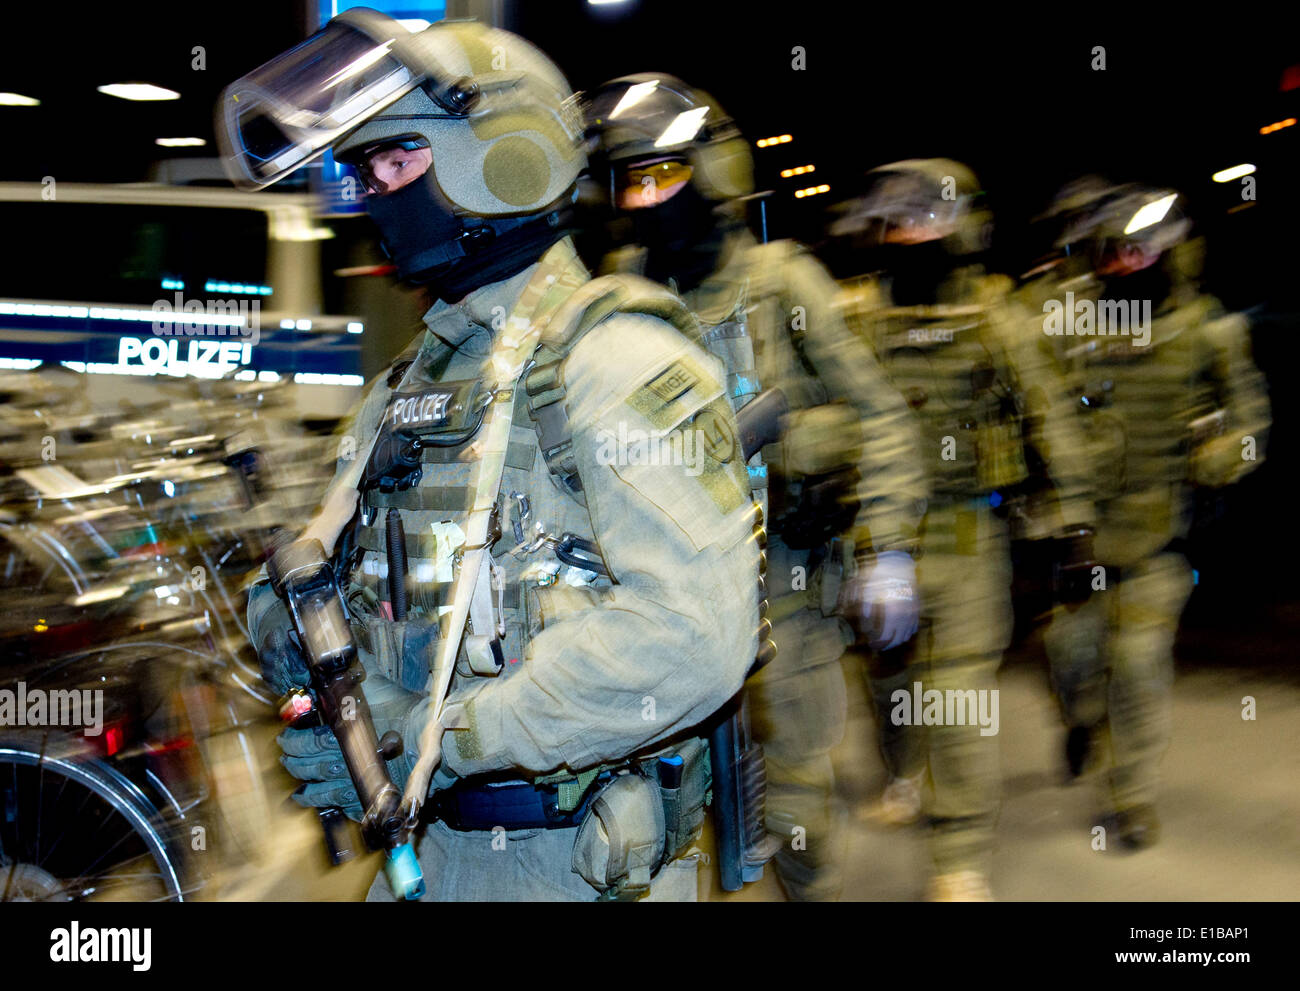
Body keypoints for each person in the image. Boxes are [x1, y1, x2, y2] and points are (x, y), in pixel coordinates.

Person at [222, 10, 761, 901]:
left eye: (397, 161)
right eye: (365, 171)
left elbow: (693, 638)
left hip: (570, 867)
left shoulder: (616, 359)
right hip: (432, 856)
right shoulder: (417, 377)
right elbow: (325, 568)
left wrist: (441, 737)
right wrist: (301, 646)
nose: (375, 194)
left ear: (500, 156)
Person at [584, 74, 928, 900]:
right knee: (651, 801)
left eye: (664, 175)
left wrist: (887, 548)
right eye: (631, 181)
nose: (646, 197)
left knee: (793, 797)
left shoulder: (780, 283)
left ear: (712, 177)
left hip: (785, 588)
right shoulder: (620, 290)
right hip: (655, 587)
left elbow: (881, 414)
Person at [835, 159, 1096, 899]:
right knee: (887, 682)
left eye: (931, 219)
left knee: (956, 697)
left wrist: (1073, 519)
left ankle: (959, 855)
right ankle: (899, 769)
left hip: (965, 536)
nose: (914, 233)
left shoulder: (996, 317)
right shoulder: (854, 316)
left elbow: (1049, 414)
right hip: (879, 538)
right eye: (900, 220)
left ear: (963, 228)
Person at [1036, 184, 1271, 847]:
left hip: (1158, 540)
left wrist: (1224, 453)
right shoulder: (1071, 329)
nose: (1119, 265)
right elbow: (1038, 405)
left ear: (1167, 252)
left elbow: (1253, 421)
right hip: (1082, 541)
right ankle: (1083, 718)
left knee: (1138, 663)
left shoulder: (1208, 331)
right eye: (1109, 253)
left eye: (1135, 252)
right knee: (1068, 653)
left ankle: (1131, 793)